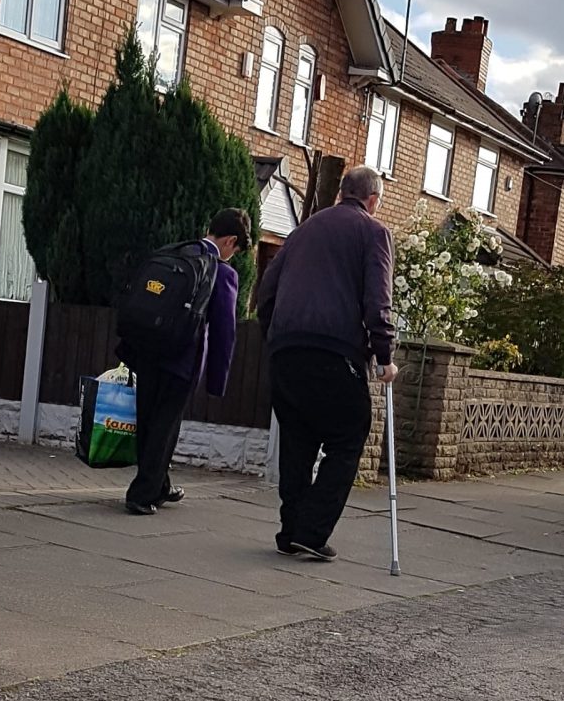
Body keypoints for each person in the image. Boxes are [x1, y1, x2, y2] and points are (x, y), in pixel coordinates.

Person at [257, 166, 397, 560]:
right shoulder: (374, 232)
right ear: (372, 200)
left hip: (287, 351)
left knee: (297, 443)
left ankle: (291, 530)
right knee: (348, 437)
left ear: (341, 193)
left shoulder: (301, 231)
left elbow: (266, 289)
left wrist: (275, 339)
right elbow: (377, 301)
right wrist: (384, 356)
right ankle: (312, 531)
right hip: (335, 353)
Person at [122, 208, 252, 515]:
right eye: (235, 250)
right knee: (165, 426)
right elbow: (224, 331)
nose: (232, 257)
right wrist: (217, 381)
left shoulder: (174, 253)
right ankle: (142, 494)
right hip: (182, 360)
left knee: (148, 420)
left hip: (147, 351)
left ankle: (159, 484)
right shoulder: (221, 272)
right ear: (230, 240)